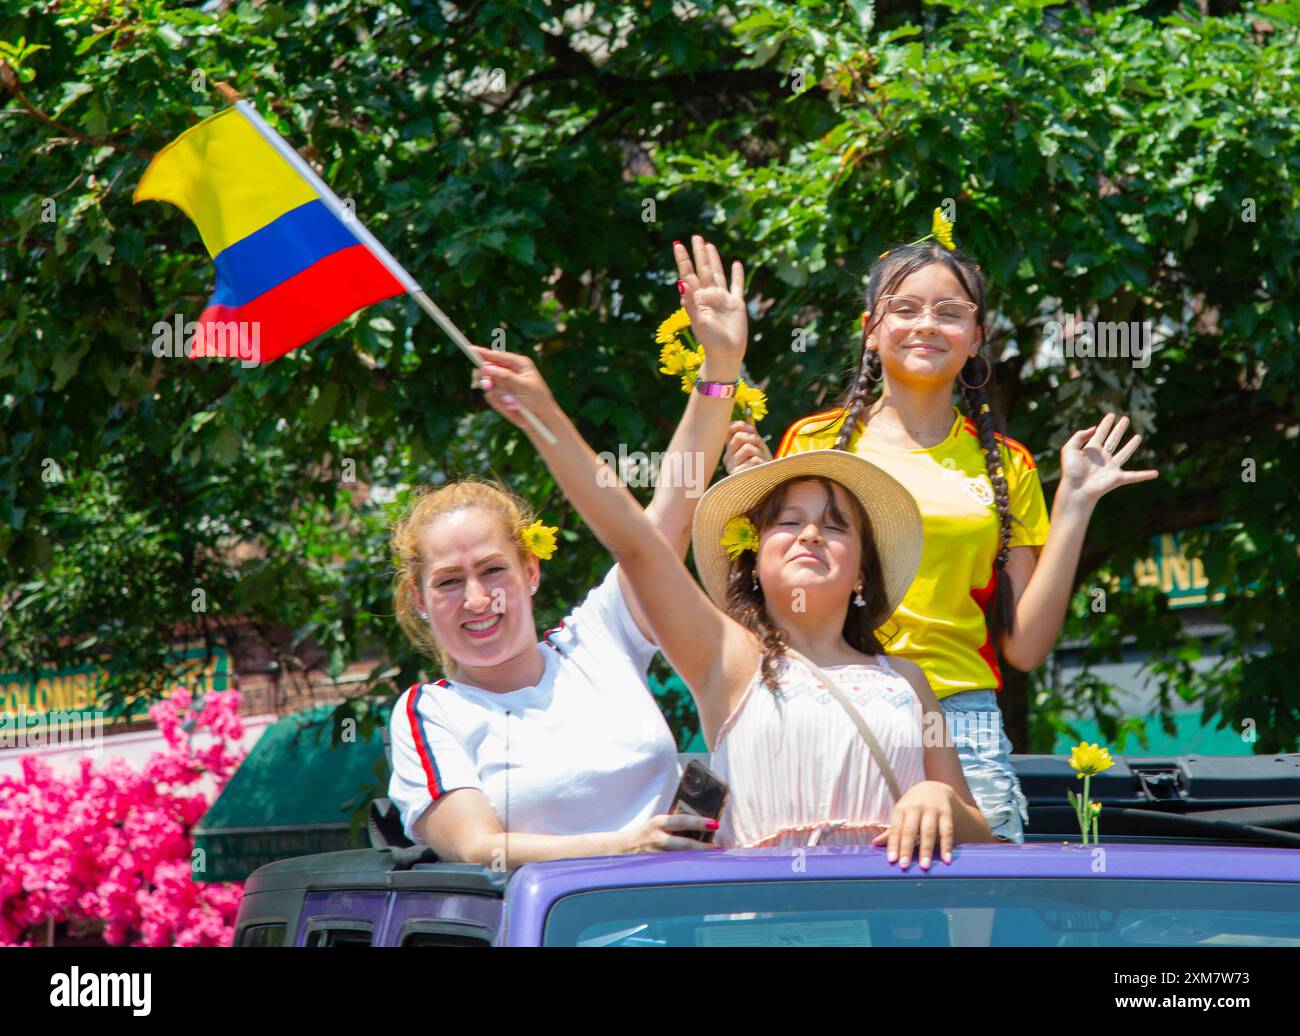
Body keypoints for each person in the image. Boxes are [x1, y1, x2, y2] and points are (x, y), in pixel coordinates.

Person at [474, 345, 997, 871]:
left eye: (836, 526)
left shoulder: (906, 681)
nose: (811, 534)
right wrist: (546, 417)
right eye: (788, 522)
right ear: (753, 560)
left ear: (863, 571)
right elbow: (634, 542)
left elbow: (984, 843)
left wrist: (944, 802)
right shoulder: (727, 658)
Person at [723, 236, 1159, 842]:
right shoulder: (813, 444)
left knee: (966, 925)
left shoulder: (1010, 466)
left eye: (950, 312)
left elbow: (1026, 648)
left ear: (977, 337)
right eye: (905, 309)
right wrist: (747, 503)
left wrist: (1075, 504)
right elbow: (759, 603)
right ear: (871, 330)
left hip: (961, 720)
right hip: (833, 700)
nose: (926, 325)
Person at [387, 235, 752, 868]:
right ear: (418, 599)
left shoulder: (597, 638)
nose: (477, 599)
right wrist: (623, 846)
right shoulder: (430, 712)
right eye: (448, 581)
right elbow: (479, 847)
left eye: (494, 570)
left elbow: (671, 507)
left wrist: (720, 367)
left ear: (530, 570)